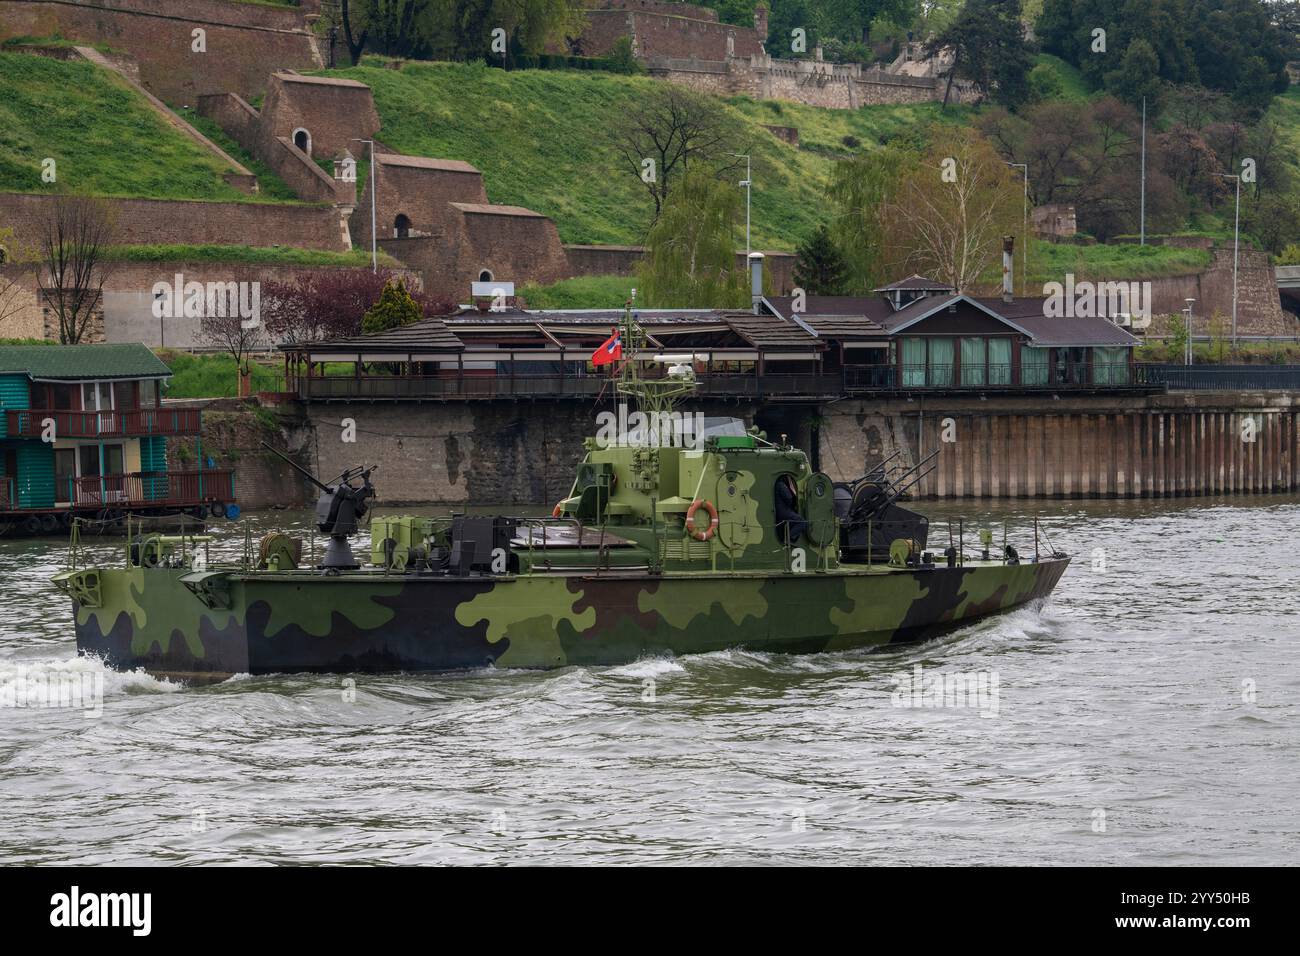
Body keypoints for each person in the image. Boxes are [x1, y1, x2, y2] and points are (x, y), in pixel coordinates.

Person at [774, 474, 807, 545]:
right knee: (802, 522)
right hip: (783, 511)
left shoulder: (776, 484)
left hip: (778, 512)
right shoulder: (780, 484)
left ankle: (785, 539)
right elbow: (788, 497)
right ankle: (789, 539)